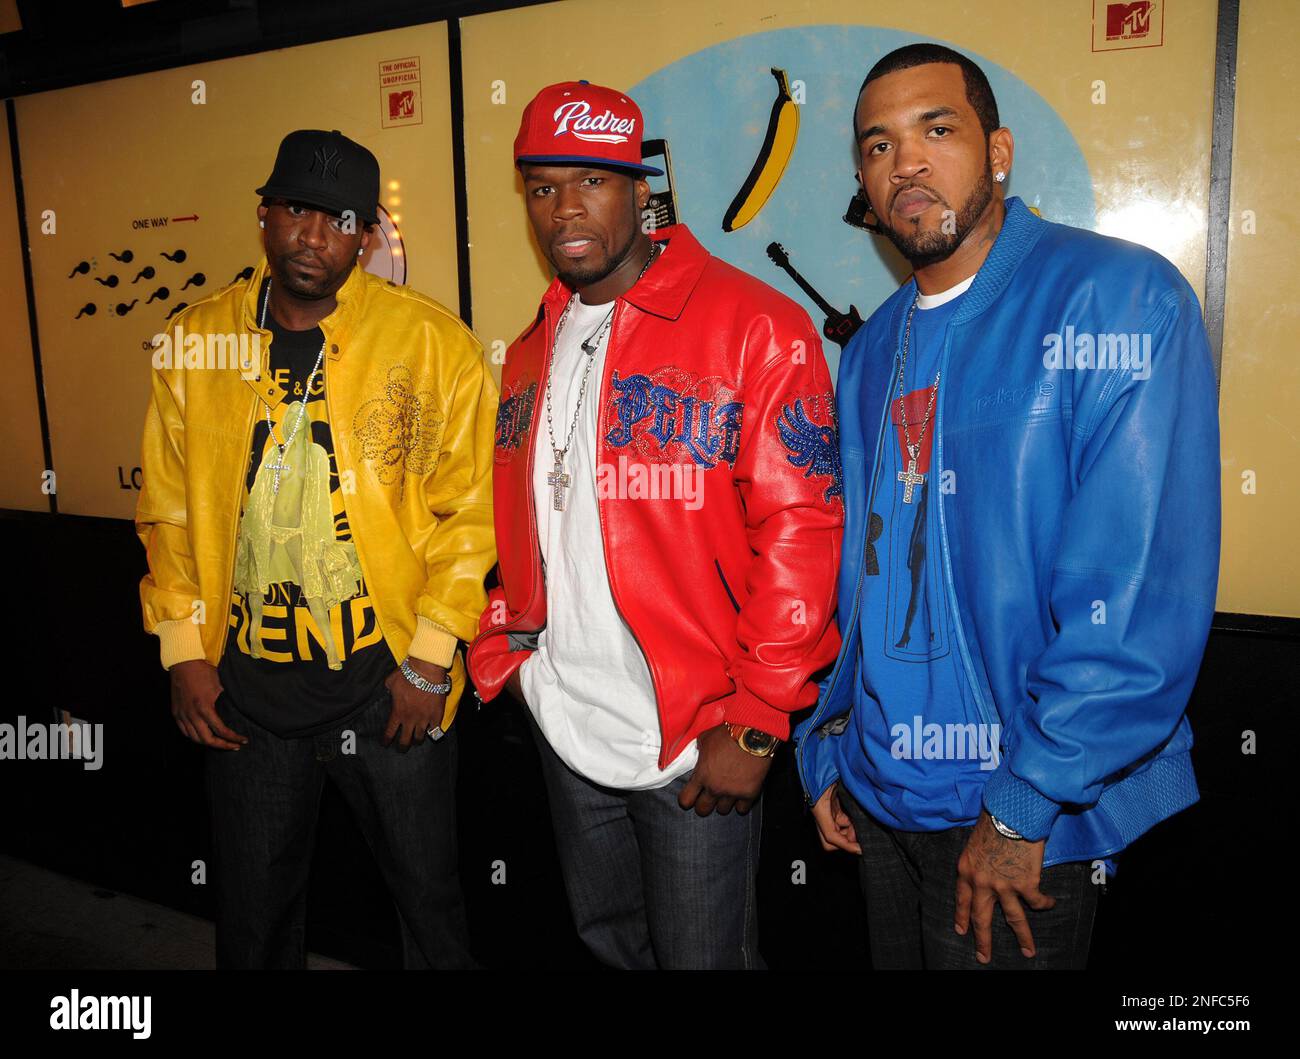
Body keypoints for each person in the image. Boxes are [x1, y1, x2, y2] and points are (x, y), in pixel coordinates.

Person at [794, 44, 1220, 969]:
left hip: (1015, 810)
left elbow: (1138, 595)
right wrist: (827, 741)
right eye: (877, 146)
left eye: (935, 130)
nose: (904, 163)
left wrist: (1026, 798)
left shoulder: (1119, 299)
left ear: (999, 151)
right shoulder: (872, 352)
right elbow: (862, 564)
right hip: (879, 797)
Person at [468, 81, 843, 969]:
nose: (565, 208)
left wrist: (755, 720)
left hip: (694, 742)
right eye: (542, 186)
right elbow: (522, 521)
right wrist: (503, 656)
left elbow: (803, 533)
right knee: (608, 951)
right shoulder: (531, 348)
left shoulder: (756, 326)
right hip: (566, 725)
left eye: (592, 181)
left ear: (641, 190)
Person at [136, 129, 497, 968]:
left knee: (431, 912)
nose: (313, 236)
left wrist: (431, 659)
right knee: (254, 922)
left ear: (366, 234)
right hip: (247, 695)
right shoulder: (196, 345)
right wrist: (184, 652)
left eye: (338, 219)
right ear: (264, 215)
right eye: (296, 209)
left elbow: (469, 517)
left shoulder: (431, 344)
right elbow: (167, 514)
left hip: (388, 690)